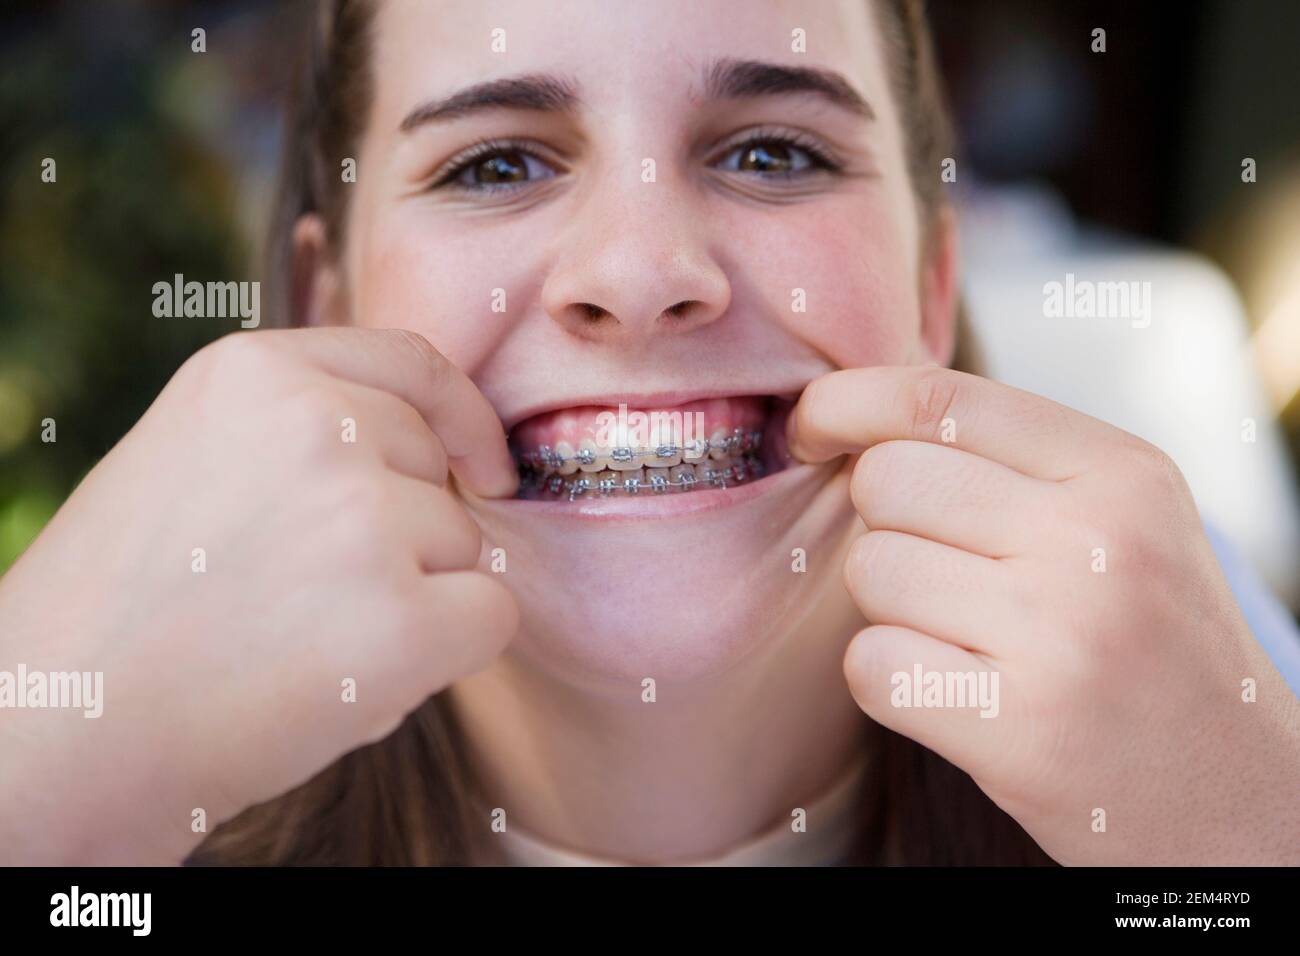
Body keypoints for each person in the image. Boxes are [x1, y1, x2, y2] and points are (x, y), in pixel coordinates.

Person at [1, 0, 1296, 866]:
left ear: (932, 291)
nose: (640, 271)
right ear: (326, 305)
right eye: (495, 164)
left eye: (777, 153)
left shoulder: (1232, 737)